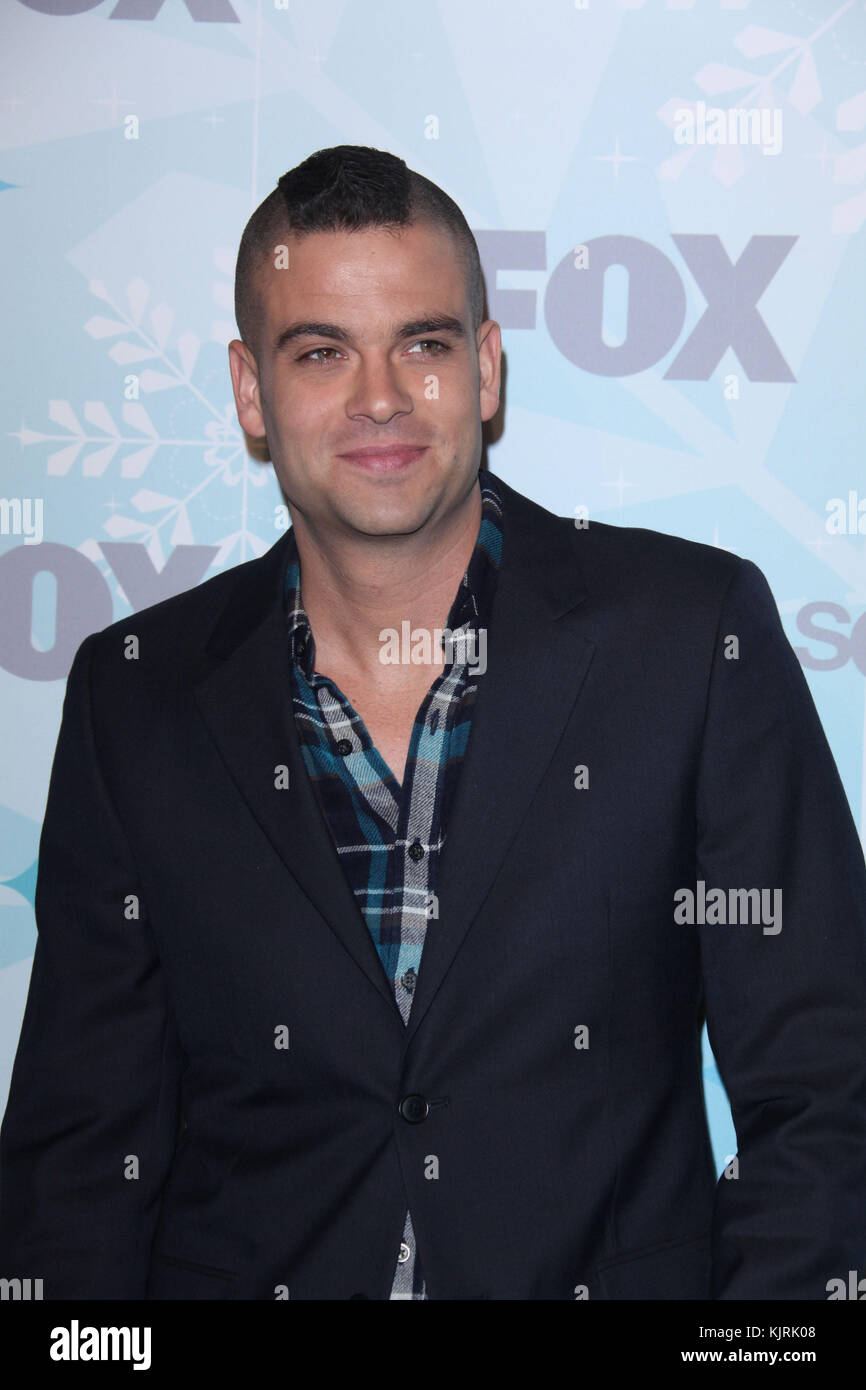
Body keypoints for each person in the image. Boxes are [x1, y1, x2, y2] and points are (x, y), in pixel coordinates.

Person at [1, 145, 865, 1301]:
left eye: (422, 343)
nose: (378, 399)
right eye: (320, 352)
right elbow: (80, 1160)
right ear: (251, 392)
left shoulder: (686, 640)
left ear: (486, 368)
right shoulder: (136, 693)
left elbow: (823, 1089)